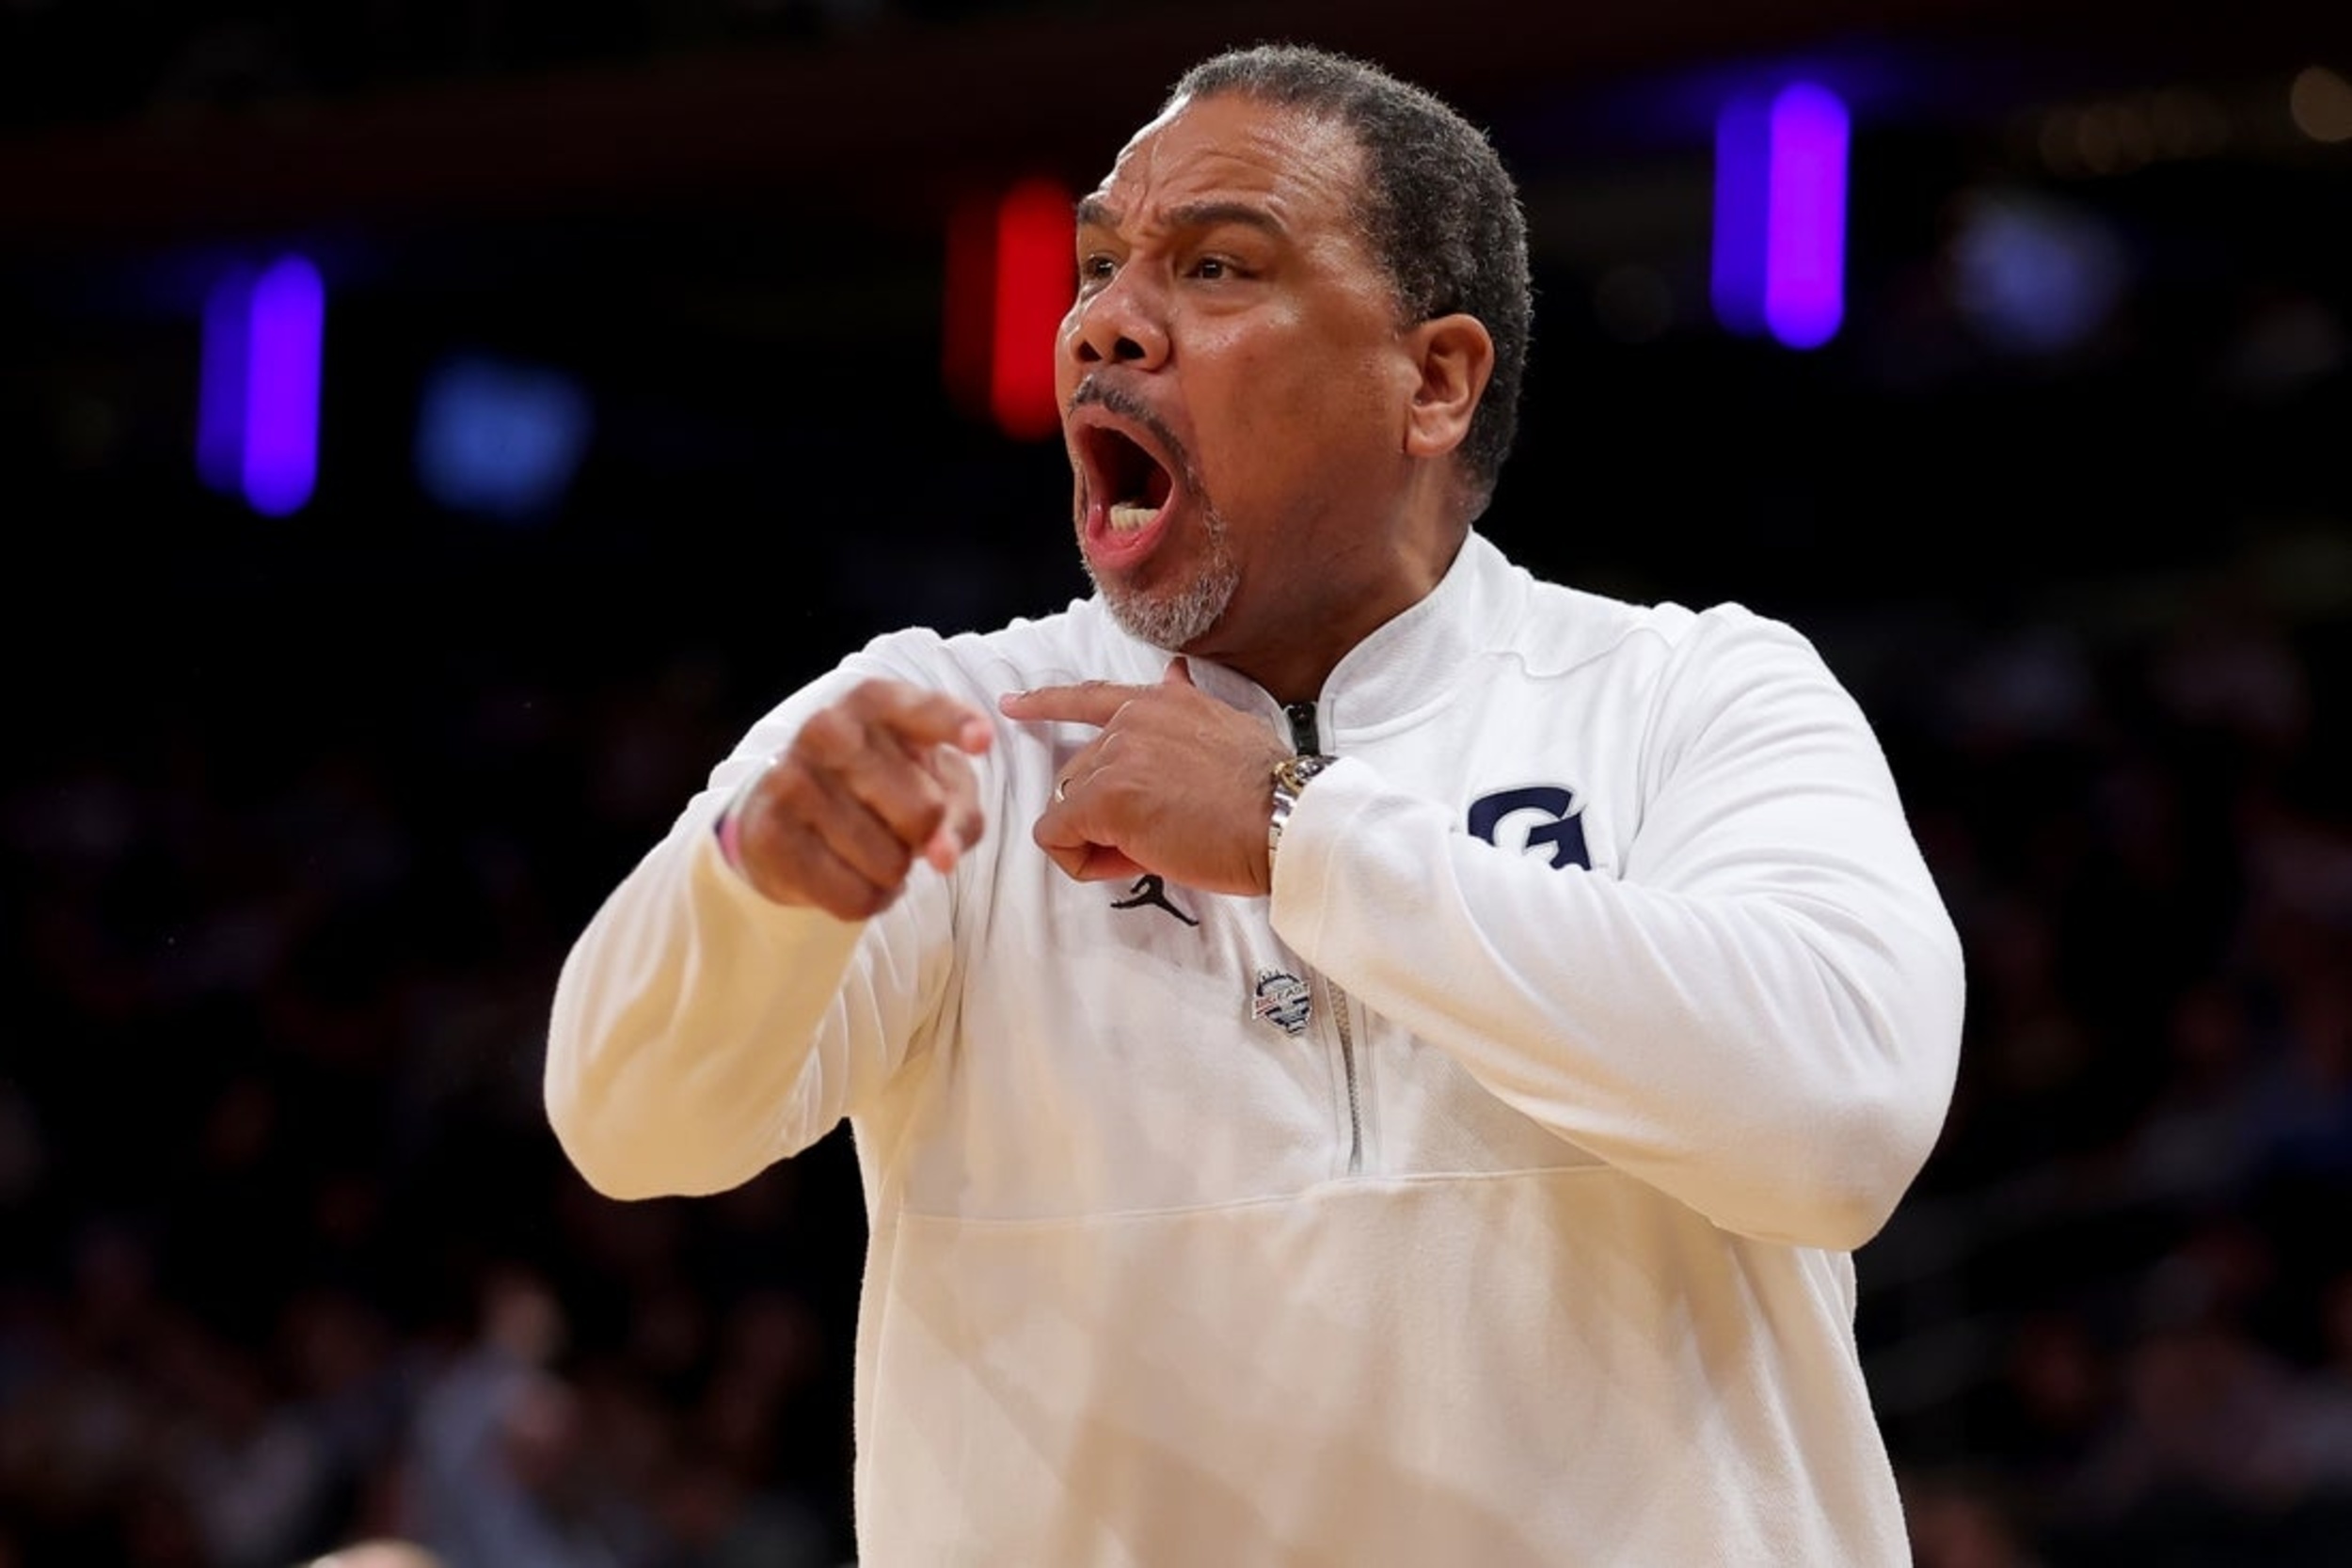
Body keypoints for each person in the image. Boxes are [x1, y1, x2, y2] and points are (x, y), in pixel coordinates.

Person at [545, 40, 1965, 1566]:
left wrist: (1298, 834)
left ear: (1434, 380)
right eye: (1098, 265)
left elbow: (1842, 1121)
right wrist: (758, 888)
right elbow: (628, 1126)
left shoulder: (1691, 694)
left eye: (1216, 267)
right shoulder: (948, 721)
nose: (1106, 321)